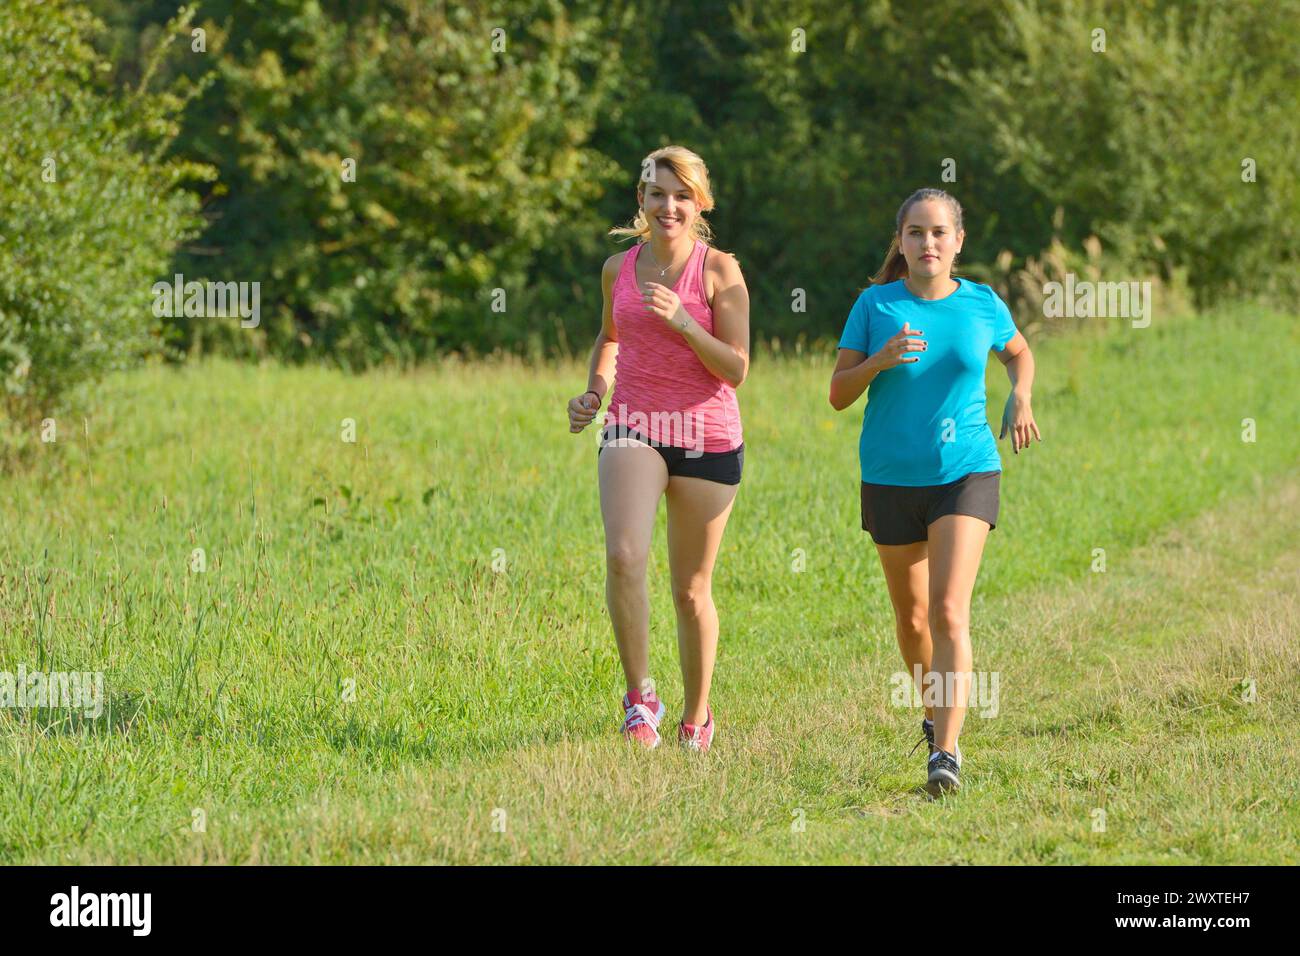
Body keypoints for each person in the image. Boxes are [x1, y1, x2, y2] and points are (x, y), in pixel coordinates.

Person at [829, 188, 1042, 795]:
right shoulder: (875, 305)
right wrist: (878, 361)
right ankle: (932, 709)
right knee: (913, 616)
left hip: (967, 470)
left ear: (958, 242)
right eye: (916, 233)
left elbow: (1018, 354)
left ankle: (945, 753)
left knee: (949, 609)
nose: (928, 243)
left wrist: (1020, 392)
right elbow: (839, 394)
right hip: (891, 477)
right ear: (901, 241)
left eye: (939, 233)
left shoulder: (981, 303)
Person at [566, 145, 750, 752]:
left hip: (706, 434)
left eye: (681, 196)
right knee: (623, 555)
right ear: (640, 201)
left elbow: (737, 367)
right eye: (656, 194)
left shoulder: (721, 271)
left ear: (700, 204)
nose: (667, 206)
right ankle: (640, 698)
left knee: (691, 589)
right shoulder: (618, 268)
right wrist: (595, 389)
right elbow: (608, 336)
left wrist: (686, 324)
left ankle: (697, 716)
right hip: (633, 424)